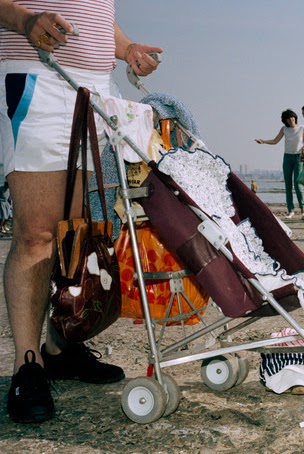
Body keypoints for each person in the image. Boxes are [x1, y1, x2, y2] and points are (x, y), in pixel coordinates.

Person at [1, 0, 162, 423]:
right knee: (36, 232)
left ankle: (60, 346)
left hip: (97, 86)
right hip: (36, 71)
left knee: (75, 230)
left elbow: (96, 13)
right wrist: (25, 19)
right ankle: (27, 365)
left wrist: (125, 49)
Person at [254, 108, 304, 218]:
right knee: (288, 185)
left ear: (295, 117)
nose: (291, 119)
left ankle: (302, 208)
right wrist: (263, 141)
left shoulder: (302, 128)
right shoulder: (284, 129)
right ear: (285, 121)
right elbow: (275, 141)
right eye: (288, 118)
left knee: (297, 184)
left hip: (298, 158)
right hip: (287, 157)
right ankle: (290, 210)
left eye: (292, 117)